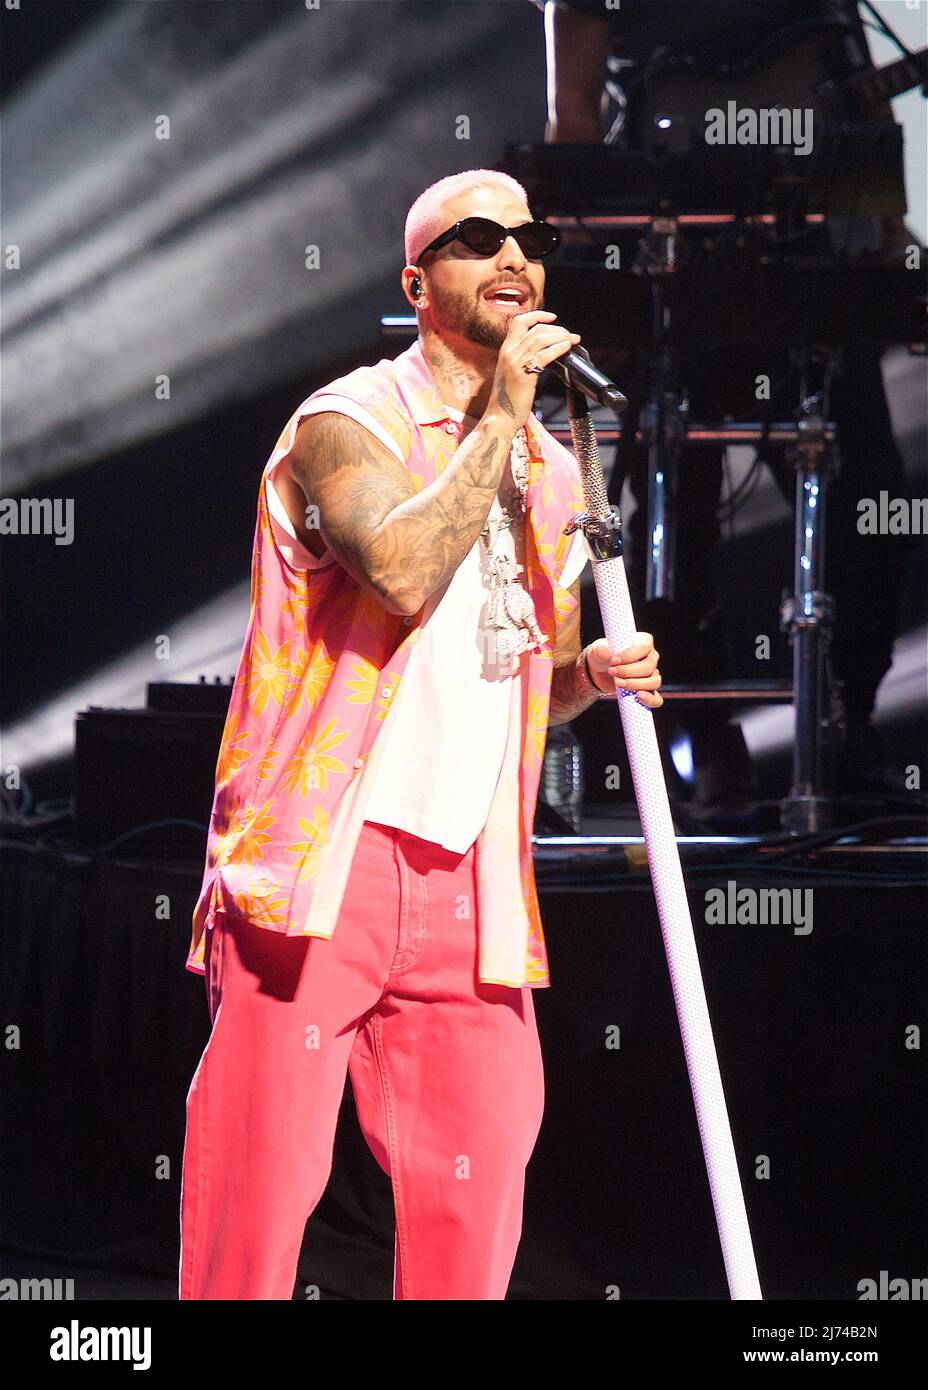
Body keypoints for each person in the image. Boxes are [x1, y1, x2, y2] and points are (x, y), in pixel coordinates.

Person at [177, 168, 663, 1301]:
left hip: (470, 886)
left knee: (477, 1188)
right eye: (477, 236)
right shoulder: (344, 424)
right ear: (416, 280)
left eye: (529, 237)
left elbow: (521, 670)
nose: (514, 257)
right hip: (324, 872)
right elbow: (396, 570)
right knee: (259, 1196)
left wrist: (584, 672)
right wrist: (498, 417)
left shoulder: (547, 470)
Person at [539, 0, 915, 807]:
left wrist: (890, 236)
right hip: (675, 274)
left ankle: (849, 726)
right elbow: (572, 124)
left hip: (804, 269)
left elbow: (854, 86)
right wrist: (578, 272)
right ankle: (704, 747)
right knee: (675, 517)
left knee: (870, 493)